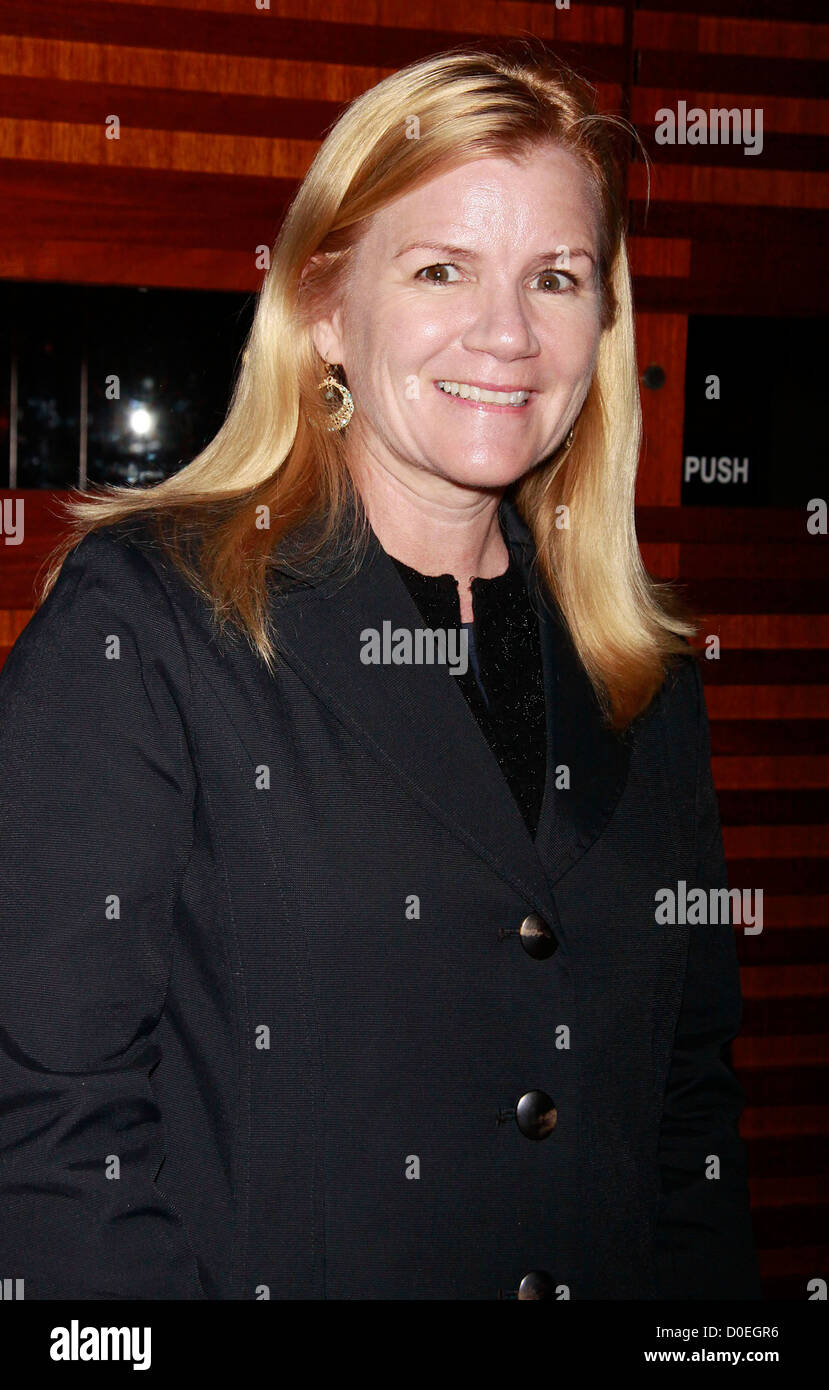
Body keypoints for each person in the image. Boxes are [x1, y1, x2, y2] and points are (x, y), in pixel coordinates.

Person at [0, 43, 761, 1300]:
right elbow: (38, 1131)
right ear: (321, 306)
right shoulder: (149, 618)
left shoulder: (645, 666)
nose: (507, 332)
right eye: (441, 269)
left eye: (556, 278)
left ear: (604, 324)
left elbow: (688, 1110)